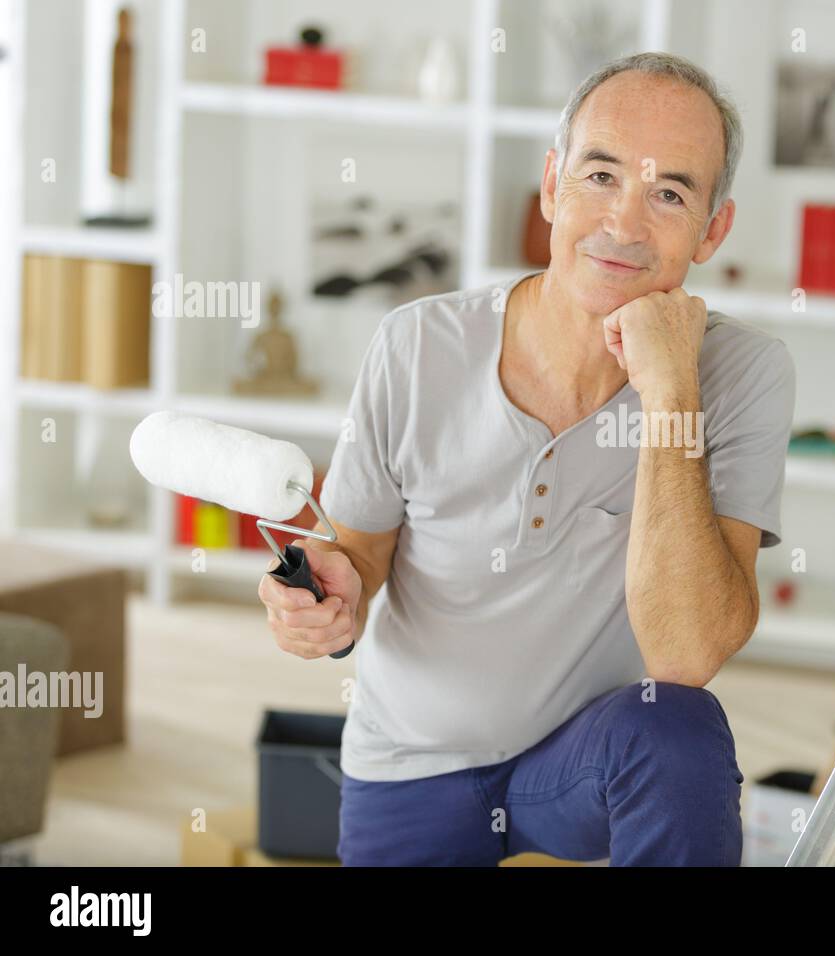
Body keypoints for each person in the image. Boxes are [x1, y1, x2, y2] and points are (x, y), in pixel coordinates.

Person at [258, 52, 796, 866]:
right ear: (552, 187)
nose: (623, 223)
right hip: (412, 767)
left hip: (583, 766)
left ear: (713, 229)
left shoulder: (744, 373)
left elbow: (688, 653)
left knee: (678, 730)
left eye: (670, 194)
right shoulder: (414, 345)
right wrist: (330, 594)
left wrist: (670, 389)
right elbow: (361, 555)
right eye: (601, 176)